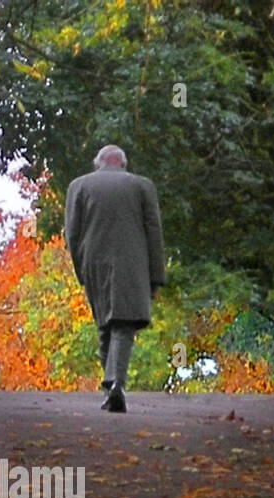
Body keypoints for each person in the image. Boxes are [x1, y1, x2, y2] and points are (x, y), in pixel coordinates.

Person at [65, 145, 166, 413]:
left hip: (93, 264)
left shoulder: (79, 186)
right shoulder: (142, 186)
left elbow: (72, 234)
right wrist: (156, 277)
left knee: (105, 325)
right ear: (123, 163)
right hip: (132, 264)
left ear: (98, 163)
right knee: (123, 324)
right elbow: (154, 232)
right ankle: (116, 384)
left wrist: (81, 271)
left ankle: (112, 387)